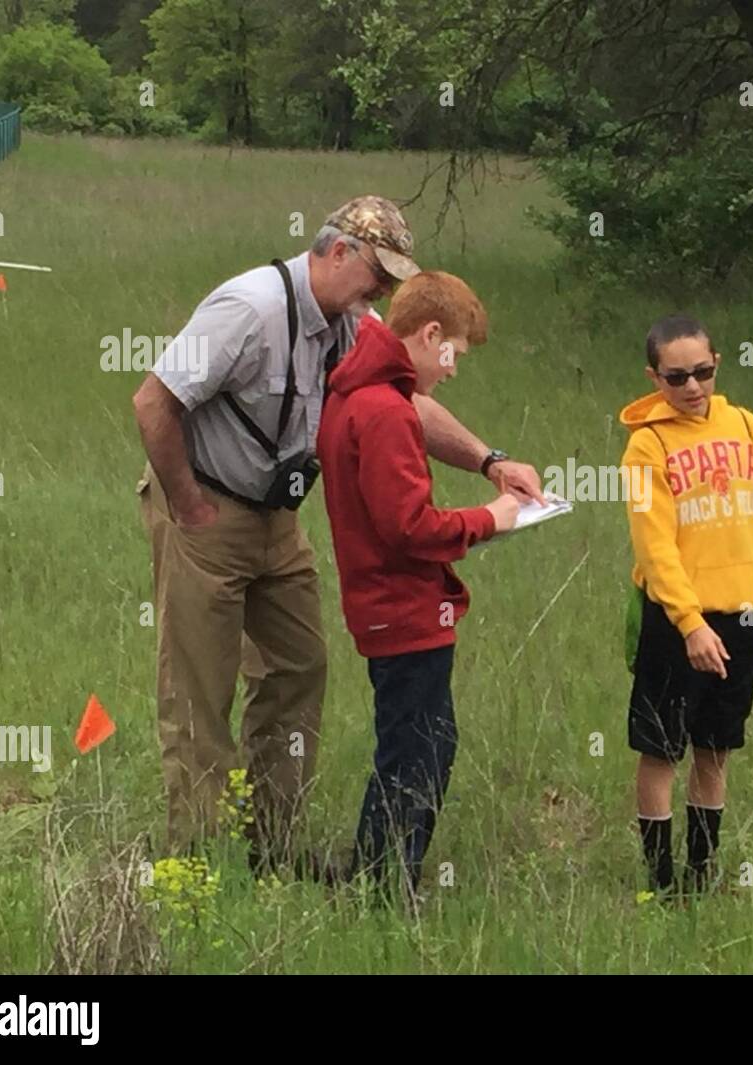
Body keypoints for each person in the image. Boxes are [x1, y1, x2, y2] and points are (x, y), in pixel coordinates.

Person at [131, 196, 543, 863]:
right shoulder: (250, 307)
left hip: (277, 514)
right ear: (337, 251)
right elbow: (153, 401)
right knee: (200, 686)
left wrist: (490, 461)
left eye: (390, 277)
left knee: (299, 667)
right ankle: (200, 862)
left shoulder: (352, 322)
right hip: (204, 503)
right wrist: (187, 504)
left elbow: (406, 400)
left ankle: (270, 845)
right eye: (376, 271)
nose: (381, 288)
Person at [316, 271, 518, 904]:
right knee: (419, 751)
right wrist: (493, 518)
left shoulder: (364, 393)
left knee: (415, 741)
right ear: (431, 335)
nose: (453, 369)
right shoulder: (382, 410)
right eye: (454, 351)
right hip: (401, 610)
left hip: (390, 607)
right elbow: (408, 526)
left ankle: (378, 870)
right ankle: (387, 886)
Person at [618, 313, 753, 895]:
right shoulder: (648, 445)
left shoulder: (745, 426)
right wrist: (689, 624)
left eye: (703, 372)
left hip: (742, 614)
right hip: (676, 619)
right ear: (654, 377)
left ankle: (701, 874)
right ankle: (660, 882)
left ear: (717, 364)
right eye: (676, 377)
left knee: (716, 749)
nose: (692, 387)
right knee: (663, 748)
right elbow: (655, 544)